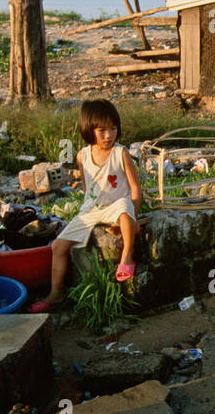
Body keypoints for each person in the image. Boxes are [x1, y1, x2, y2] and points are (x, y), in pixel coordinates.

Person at [30, 99, 141, 313]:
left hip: (118, 205)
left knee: (124, 209)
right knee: (58, 246)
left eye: (112, 129)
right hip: (91, 209)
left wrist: (134, 215)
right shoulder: (82, 156)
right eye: (102, 130)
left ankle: (128, 254)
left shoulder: (121, 154)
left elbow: (135, 189)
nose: (108, 135)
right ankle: (56, 293)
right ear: (89, 130)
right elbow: (86, 187)